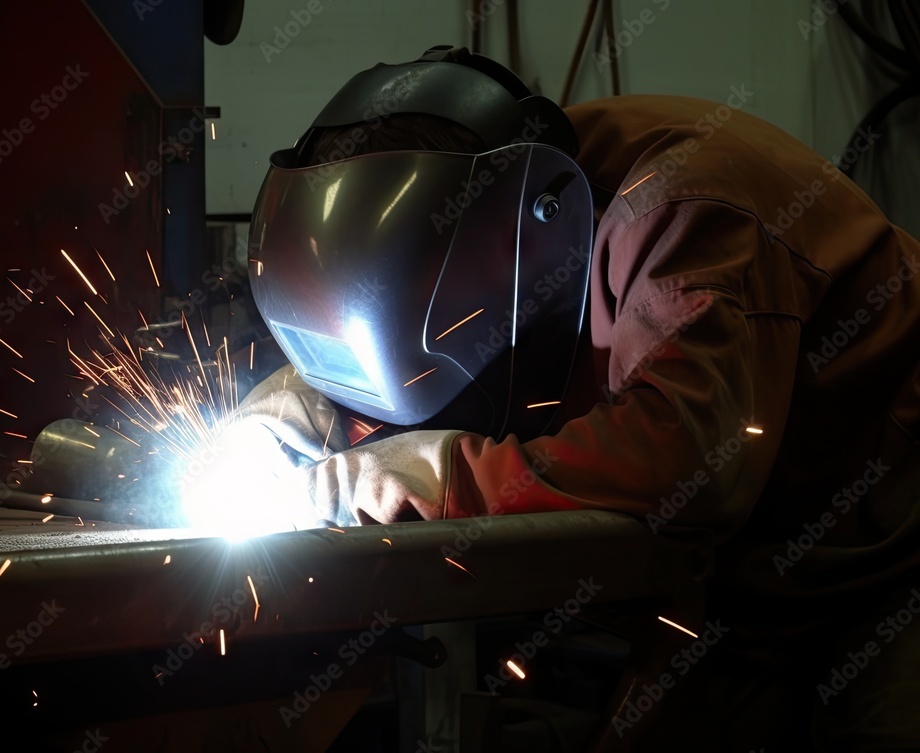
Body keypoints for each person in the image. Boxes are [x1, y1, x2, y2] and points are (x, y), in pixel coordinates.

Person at [235, 46, 920, 750]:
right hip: (751, 579)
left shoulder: (682, 218)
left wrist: (446, 477)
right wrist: (320, 391)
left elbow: (687, 459)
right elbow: (448, 355)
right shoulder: (498, 201)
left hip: (890, 549)